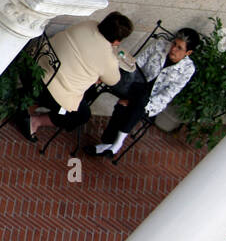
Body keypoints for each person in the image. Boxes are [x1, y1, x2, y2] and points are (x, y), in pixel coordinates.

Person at [85, 28, 199, 158]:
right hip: (134, 85)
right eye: (174, 43)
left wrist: (145, 103)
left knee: (126, 105)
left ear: (188, 52)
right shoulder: (159, 45)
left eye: (179, 48)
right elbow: (137, 64)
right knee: (136, 101)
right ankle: (116, 143)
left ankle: (107, 143)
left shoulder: (188, 70)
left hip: (153, 100)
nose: (173, 49)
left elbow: (168, 94)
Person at [24, 11, 132, 140]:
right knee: (82, 115)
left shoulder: (88, 24)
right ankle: (35, 121)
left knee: (81, 85)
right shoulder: (109, 59)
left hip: (33, 66)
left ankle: (29, 104)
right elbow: (114, 80)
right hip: (48, 91)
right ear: (116, 41)